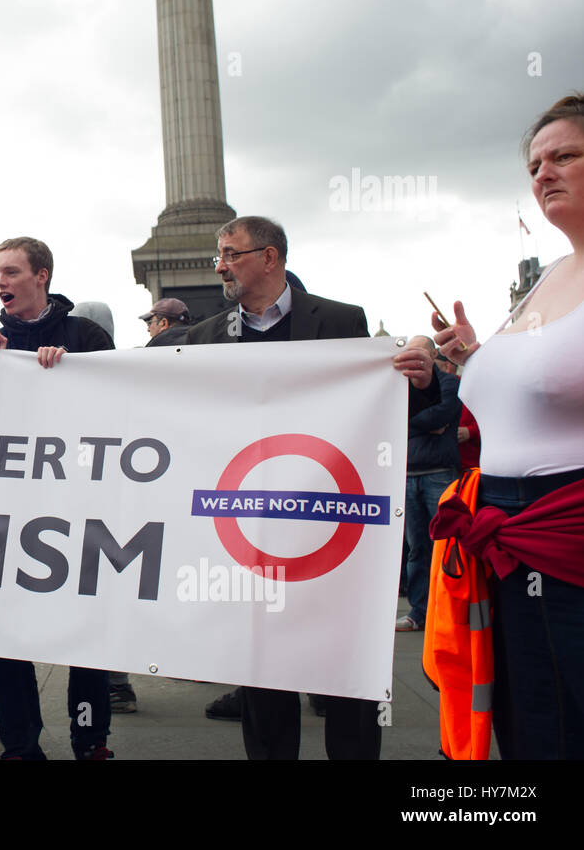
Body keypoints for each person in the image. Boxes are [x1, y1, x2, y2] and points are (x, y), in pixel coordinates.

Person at [184, 215, 436, 760]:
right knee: (264, 677)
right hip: (247, 529)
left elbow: (384, 404)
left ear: (269, 257)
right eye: (218, 256)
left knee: (346, 672)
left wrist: (420, 371)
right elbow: (137, 388)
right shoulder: (205, 337)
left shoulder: (343, 321)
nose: (221, 266)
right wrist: (54, 365)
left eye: (230, 254)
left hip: (332, 521)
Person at [429, 93, 584, 759]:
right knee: (527, 722)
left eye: (566, 156)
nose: (543, 173)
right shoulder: (548, 278)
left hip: (568, 528)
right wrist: (470, 358)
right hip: (502, 539)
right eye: (534, 163)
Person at [0, 237, 117, 759]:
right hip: (9, 513)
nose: (0, 282)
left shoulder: (85, 334)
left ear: (42, 277)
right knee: (7, 636)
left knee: (83, 634)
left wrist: (75, 371)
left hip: (79, 506)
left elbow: (126, 403)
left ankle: (90, 739)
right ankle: (18, 743)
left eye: (10, 272)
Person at [397, 336, 460, 633]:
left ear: (433, 354)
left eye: (421, 352)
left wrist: (407, 422)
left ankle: (452, 610)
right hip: (408, 474)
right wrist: (424, 423)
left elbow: (446, 412)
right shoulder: (401, 386)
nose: (415, 358)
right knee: (417, 549)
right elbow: (397, 418)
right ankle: (419, 612)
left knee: (448, 545)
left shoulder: (448, 382)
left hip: (440, 473)